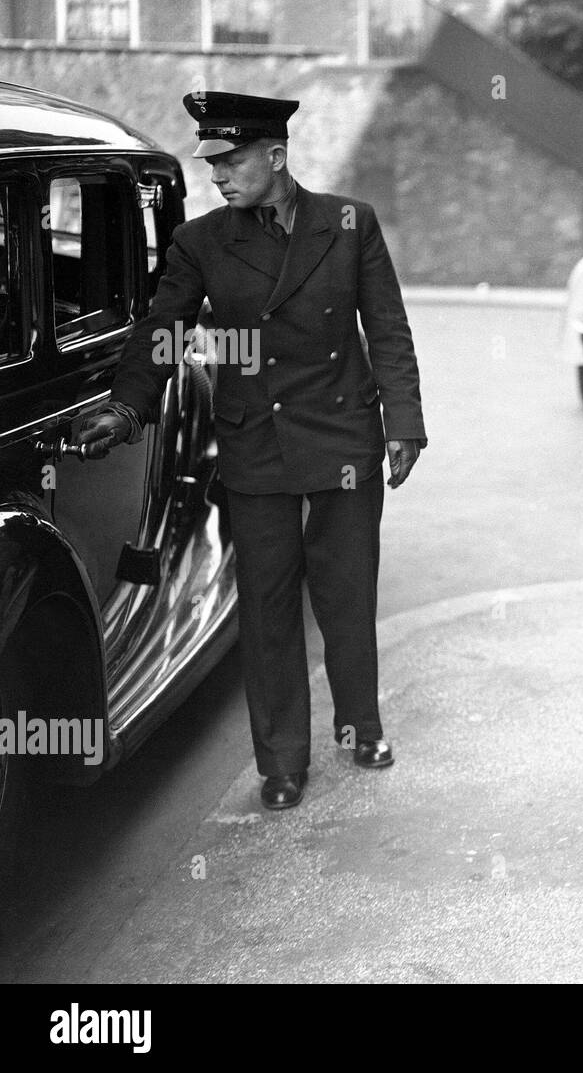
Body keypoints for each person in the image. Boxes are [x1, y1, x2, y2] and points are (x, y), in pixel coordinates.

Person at [77, 91, 426, 809]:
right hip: (256, 440)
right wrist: (125, 408)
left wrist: (404, 423)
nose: (219, 177)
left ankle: (362, 724)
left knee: (347, 587)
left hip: (342, 432)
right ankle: (282, 762)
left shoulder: (349, 222)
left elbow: (387, 326)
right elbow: (162, 335)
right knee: (265, 604)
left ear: (276, 156)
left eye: (232, 161)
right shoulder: (200, 243)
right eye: (212, 164)